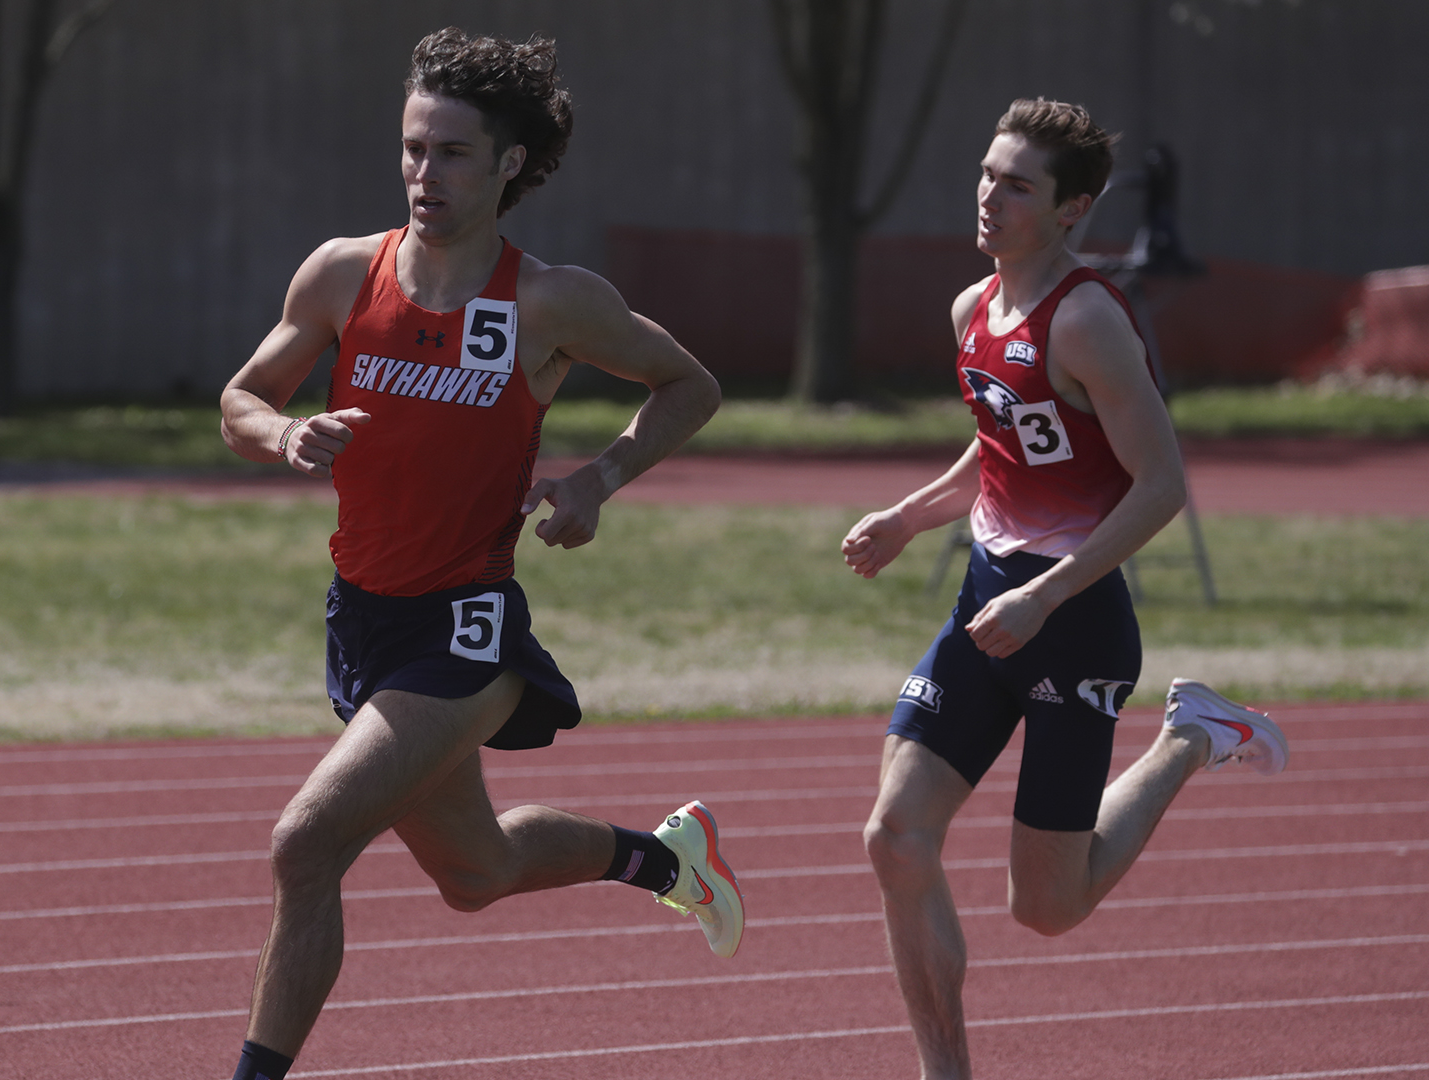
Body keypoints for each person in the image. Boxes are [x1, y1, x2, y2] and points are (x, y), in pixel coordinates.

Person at [216, 28, 737, 1080]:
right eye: (413, 149)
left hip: (466, 628)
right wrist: (282, 435)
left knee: (305, 846)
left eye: (452, 153)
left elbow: (690, 384)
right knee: (477, 871)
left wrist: (596, 480)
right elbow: (241, 398)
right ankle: (665, 859)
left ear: (509, 164)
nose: (424, 174)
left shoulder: (547, 300)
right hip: (363, 617)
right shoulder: (340, 275)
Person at [840, 98, 1290, 1079]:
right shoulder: (972, 308)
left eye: (1018, 185)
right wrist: (909, 518)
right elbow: (999, 444)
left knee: (1047, 907)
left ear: (1072, 209)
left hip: (1073, 623)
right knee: (894, 837)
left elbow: (1162, 485)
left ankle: (1190, 737)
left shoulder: (1086, 321)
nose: (991, 198)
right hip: (984, 600)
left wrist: (1047, 596)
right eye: (988, 174)